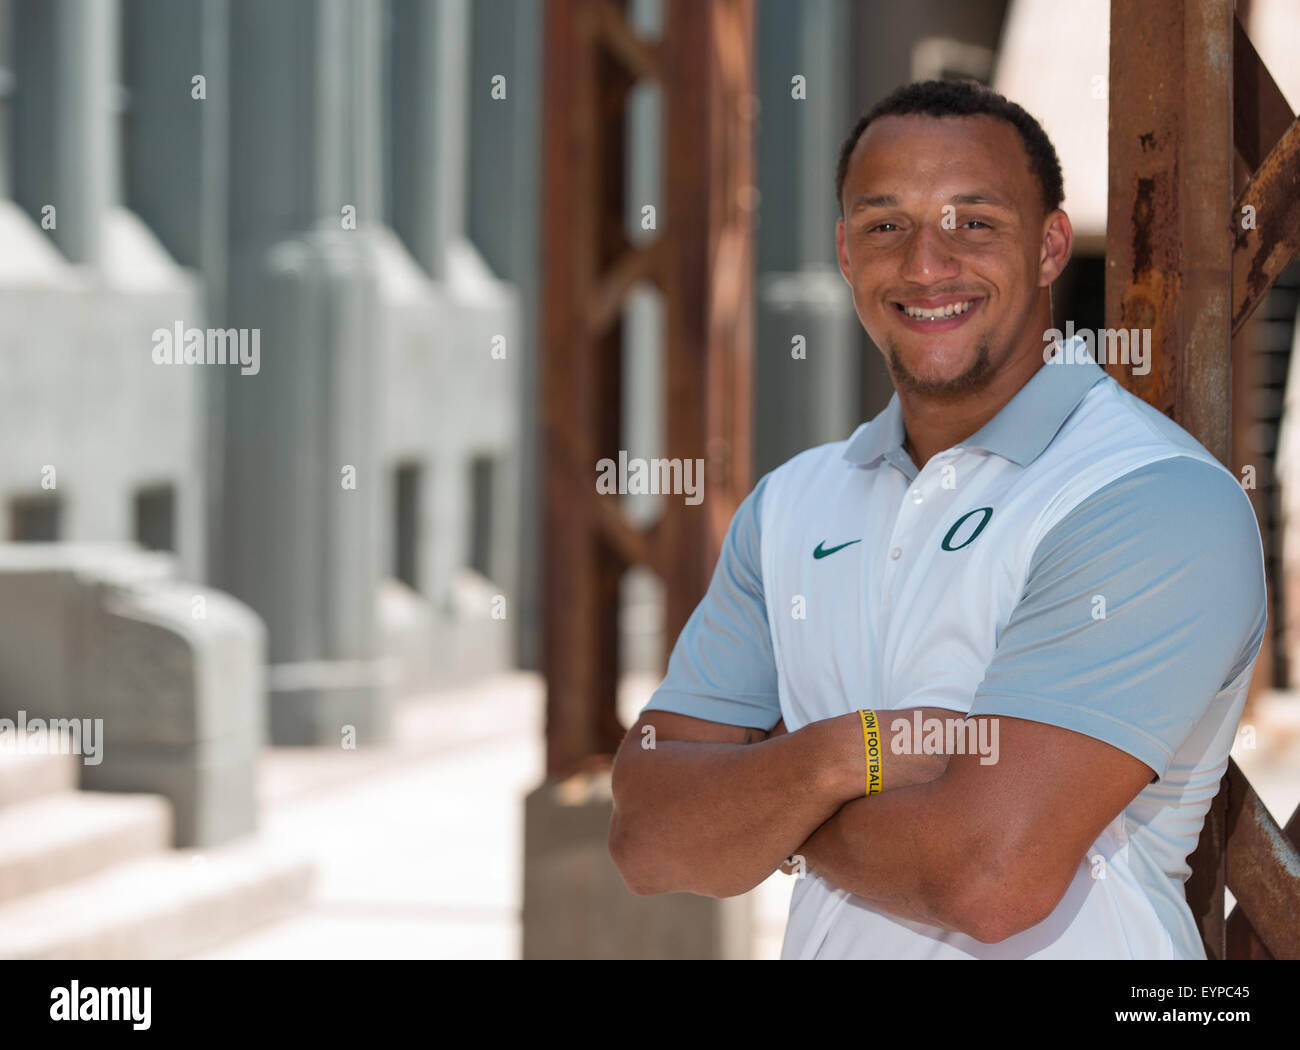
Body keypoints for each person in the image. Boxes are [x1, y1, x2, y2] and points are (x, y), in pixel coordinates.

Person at [607, 79, 1267, 959]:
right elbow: (647, 838)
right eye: (886, 226)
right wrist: (847, 754)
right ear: (846, 252)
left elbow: (989, 878)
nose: (925, 265)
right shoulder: (792, 504)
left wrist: (758, 807)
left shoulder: (1149, 496)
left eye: (974, 222)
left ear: (1049, 246)